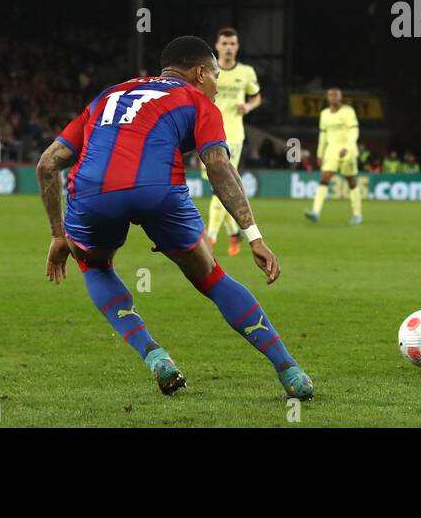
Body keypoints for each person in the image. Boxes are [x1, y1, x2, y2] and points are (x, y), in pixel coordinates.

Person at [38, 35, 313, 400]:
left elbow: (47, 164)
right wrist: (254, 236)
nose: (218, 86)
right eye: (216, 75)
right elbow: (218, 168)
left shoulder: (109, 95)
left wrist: (59, 236)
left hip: (93, 194)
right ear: (200, 73)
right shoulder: (198, 102)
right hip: (159, 191)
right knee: (211, 277)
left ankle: (155, 356)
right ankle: (289, 371)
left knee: (95, 266)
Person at [206, 26, 262, 255]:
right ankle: (232, 234)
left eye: (232, 44)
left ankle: (209, 239)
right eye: (224, 44)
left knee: (222, 184)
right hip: (208, 134)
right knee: (217, 188)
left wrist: (247, 106)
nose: (228, 47)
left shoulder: (246, 72)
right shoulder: (207, 70)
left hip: (234, 135)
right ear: (217, 46)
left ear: (237, 47)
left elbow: (256, 96)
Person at [304, 87, 363, 225]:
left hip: (347, 149)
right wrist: (320, 153)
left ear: (340, 97)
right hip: (331, 150)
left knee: (351, 181)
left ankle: (357, 214)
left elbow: (354, 132)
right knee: (324, 178)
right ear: (328, 98)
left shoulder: (348, 111)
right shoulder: (324, 114)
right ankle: (315, 212)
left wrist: (347, 147)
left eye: (336, 96)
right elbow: (323, 135)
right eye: (331, 96)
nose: (334, 98)